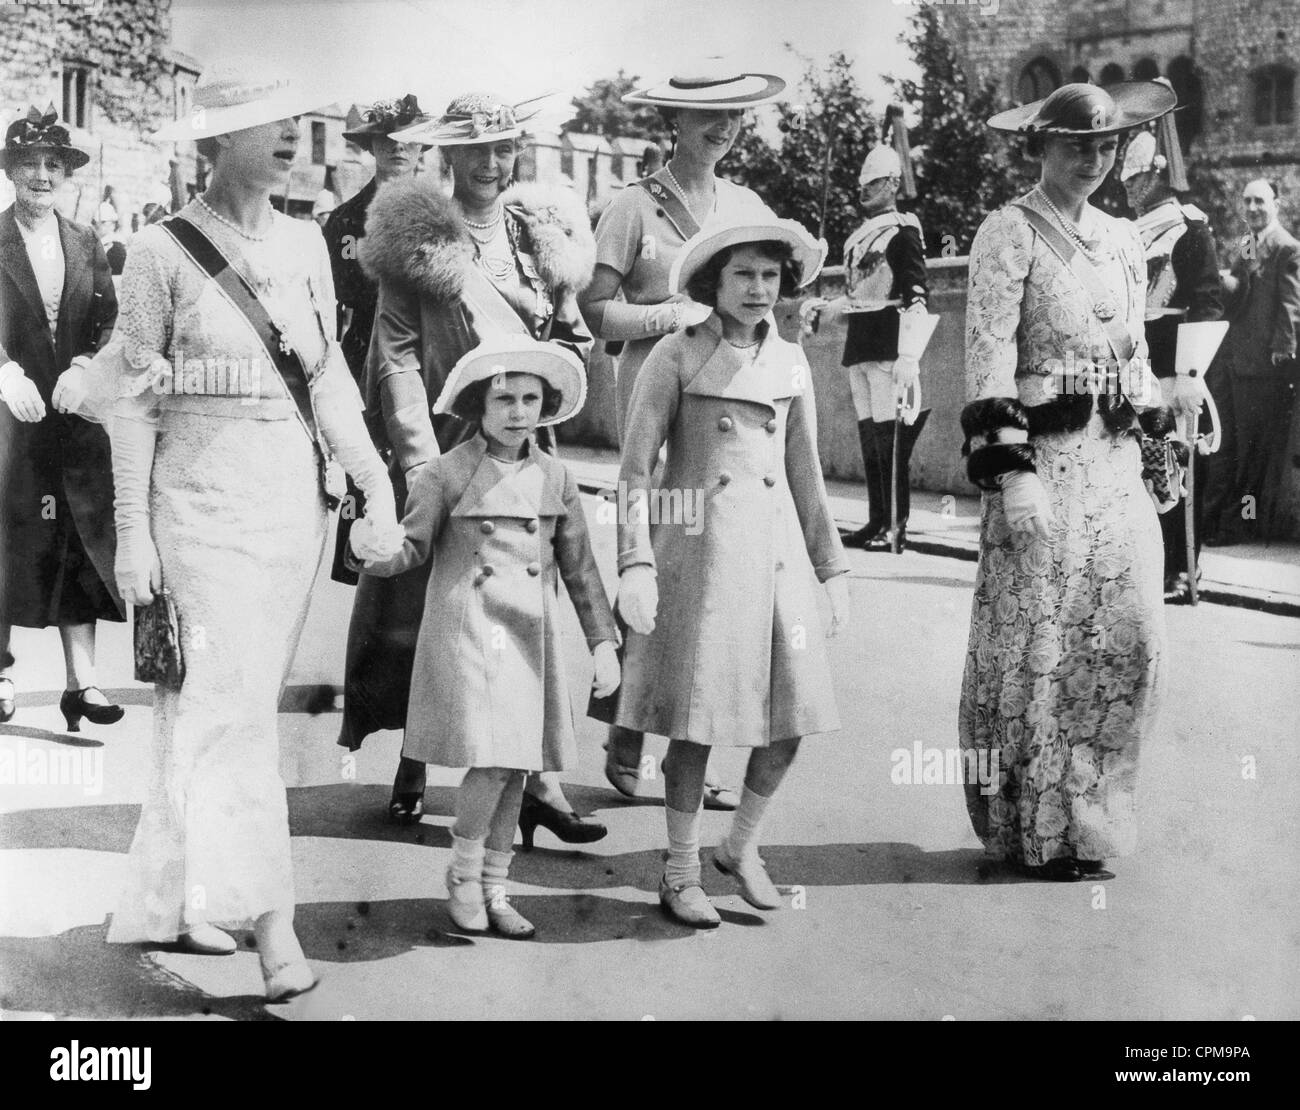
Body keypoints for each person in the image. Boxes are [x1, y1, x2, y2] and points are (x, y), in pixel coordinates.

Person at [82, 70, 402, 1000]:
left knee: (212, 707)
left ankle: (172, 897)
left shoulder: (306, 242)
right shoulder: (158, 251)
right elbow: (136, 403)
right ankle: (273, 927)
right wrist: (134, 537)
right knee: (240, 719)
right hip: (199, 509)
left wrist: (375, 484)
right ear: (213, 144)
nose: (291, 141)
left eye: (296, 127)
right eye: (266, 128)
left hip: (292, 510)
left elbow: (331, 377)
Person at [341, 91, 605, 844]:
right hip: (449, 445)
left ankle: (540, 786)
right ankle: (416, 759)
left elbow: (576, 339)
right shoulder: (412, 240)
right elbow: (391, 357)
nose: (491, 164)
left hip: (524, 445)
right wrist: (424, 461)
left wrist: (547, 373)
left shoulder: (539, 237)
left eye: (503, 148)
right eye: (475, 149)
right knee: (423, 612)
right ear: (447, 156)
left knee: (526, 611)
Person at [959, 81, 1178, 882]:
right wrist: (1012, 477)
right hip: (1044, 466)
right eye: (1077, 144)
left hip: (1114, 464)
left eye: (1107, 144)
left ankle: (1093, 817)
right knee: (1041, 648)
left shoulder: (1124, 237)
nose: (1094, 157)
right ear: (1040, 146)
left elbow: (1139, 357)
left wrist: (1158, 440)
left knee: (1129, 642)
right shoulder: (1007, 231)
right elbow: (985, 355)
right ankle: (1038, 826)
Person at [614, 212, 850, 928]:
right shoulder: (675, 356)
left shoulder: (791, 360)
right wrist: (636, 562)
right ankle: (681, 867)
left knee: (795, 715)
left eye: (770, 276)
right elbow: (635, 470)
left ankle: (740, 844)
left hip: (776, 556)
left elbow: (805, 473)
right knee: (697, 722)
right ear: (712, 283)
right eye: (743, 274)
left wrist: (831, 568)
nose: (757, 289)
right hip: (702, 552)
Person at [351, 338, 620, 938]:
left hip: (532, 638)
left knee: (519, 768)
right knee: (495, 763)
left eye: (530, 399)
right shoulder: (446, 472)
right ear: (479, 404)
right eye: (504, 398)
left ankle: (496, 890)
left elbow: (579, 569)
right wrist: (371, 548)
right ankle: (462, 877)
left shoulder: (556, 475)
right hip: (469, 628)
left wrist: (603, 642)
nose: (518, 411)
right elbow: (411, 547)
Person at [579, 64, 786, 807]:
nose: (723, 128)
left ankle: (697, 741)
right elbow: (594, 311)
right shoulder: (634, 207)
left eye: (734, 115)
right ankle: (629, 732)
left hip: (722, 405)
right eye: (707, 116)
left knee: (717, 582)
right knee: (658, 570)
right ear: (673, 121)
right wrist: (668, 315)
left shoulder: (745, 203)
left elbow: (766, 294)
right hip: (652, 395)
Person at [0, 104, 125, 731]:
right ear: (11, 172)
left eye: (52, 164)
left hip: (73, 416)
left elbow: (110, 321)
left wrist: (86, 368)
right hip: (8, 421)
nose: (41, 176)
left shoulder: (85, 242)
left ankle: (84, 683)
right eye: (29, 164)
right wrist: (3, 371)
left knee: (79, 539)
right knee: (8, 534)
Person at [801, 114, 931, 552]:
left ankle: (895, 526)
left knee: (891, 444)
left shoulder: (902, 229)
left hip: (890, 344)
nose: (864, 192)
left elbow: (915, 293)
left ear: (893, 184)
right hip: (860, 344)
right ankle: (877, 521)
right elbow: (857, 297)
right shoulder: (858, 237)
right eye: (862, 186)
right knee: (871, 443)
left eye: (873, 185)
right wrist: (823, 309)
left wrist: (910, 353)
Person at [323, 93, 428, 583]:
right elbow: (335, 300)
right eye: (386, 139)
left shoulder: (440, 213)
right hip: (365, 351)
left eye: (408, 138)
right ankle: (365, 567)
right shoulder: (346, 220)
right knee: (366, 466)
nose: (397, 149)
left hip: (428, 352)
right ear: (371, 146)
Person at [1120, 111, 1223, 601]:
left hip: (1173, 370)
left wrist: (1190, 373)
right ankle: (1155, 564)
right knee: (1146, 471)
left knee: (1177, 469)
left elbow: (1206, 302)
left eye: (1136, 177)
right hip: (1136, 370)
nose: (1128, 188)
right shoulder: (1127, 233)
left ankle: (1184, 567)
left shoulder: (1189, 227)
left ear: (1159, 171)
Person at [1200, 179, 1300, 544]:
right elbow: (1236, 289)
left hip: (1262, 367)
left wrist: (1282, 349)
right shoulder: (1245, 244)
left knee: (1252, 452)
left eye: (1260, 201)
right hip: (1230, 358)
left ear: (1276, 203)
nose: (1253, 208)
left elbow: (1292, 304)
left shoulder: (1286, 248)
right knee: (1224, 443)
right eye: (1248, 201)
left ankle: (1241, 522)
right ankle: (1215, 519)